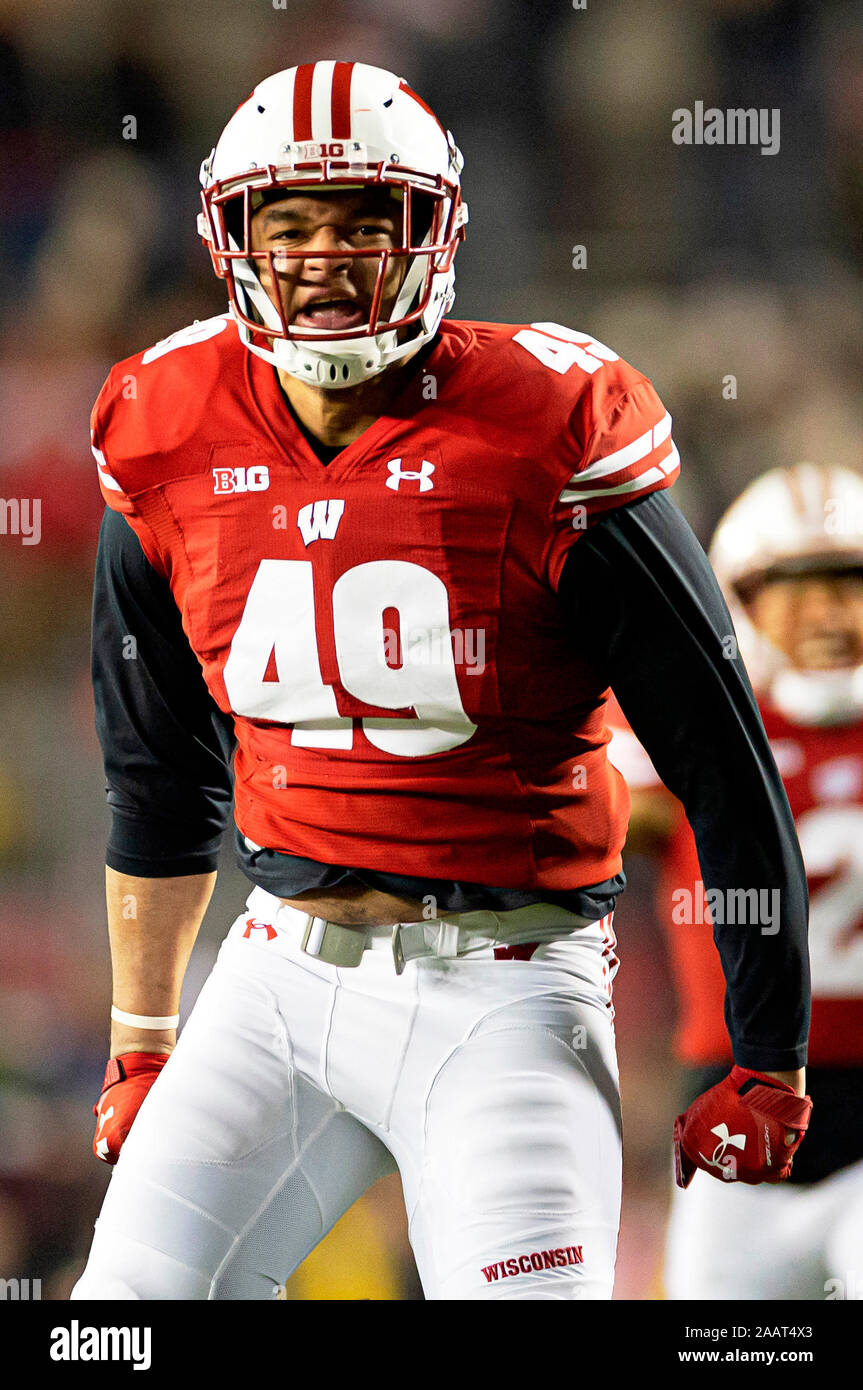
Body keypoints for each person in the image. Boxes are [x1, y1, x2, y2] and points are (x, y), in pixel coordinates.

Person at [72, 62, 811, 1302]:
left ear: (434, 232)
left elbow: (718, 757)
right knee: (114, 1327)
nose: (324, 255)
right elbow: (157, 778)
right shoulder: (164, 421)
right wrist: (141, 1043)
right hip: (274, 978)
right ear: (230, 234)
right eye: (289, 222)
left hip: (505, 993)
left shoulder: (547, 421)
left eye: (366, 219)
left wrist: (768, 1050)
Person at [608, 461, 863, 1299]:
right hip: (733, 1123)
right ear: (738, 603)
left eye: (848, 584)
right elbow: (580, 822)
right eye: (795, 588)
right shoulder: (695, 722)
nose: (828, 613)